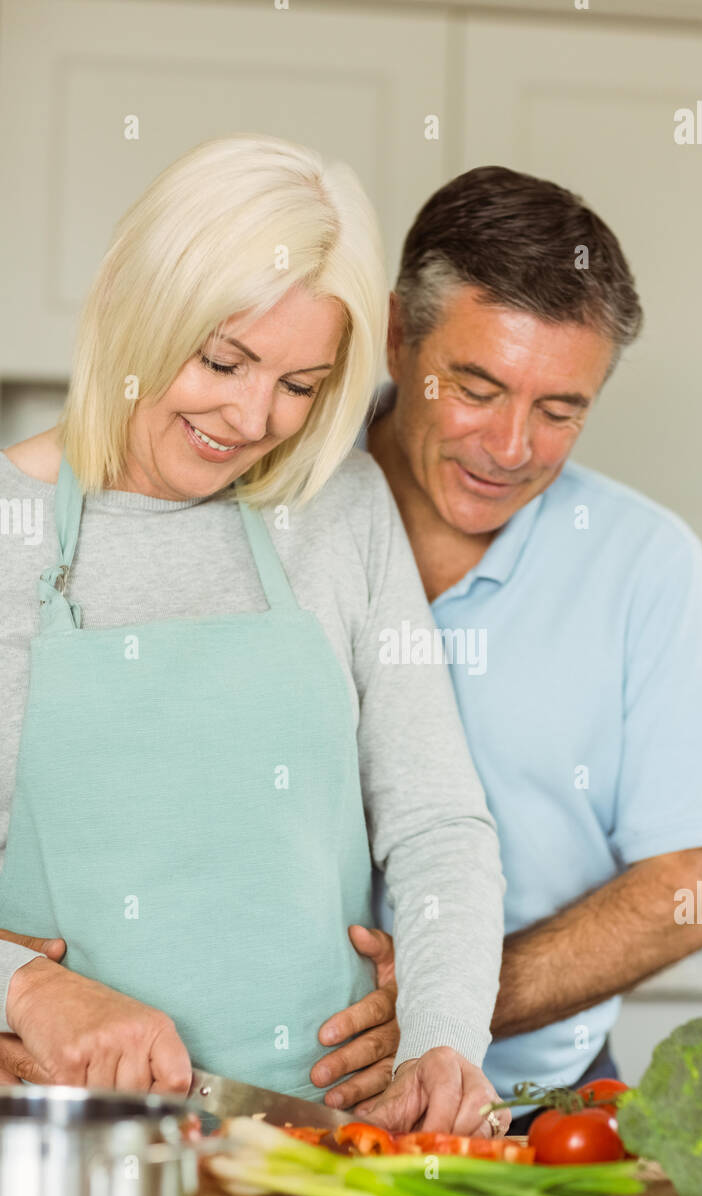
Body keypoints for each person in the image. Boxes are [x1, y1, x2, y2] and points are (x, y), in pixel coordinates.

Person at [0, 136, 510, 1137]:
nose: (250, 417)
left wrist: (443, 1035)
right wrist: (29, 992)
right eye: (223, 360)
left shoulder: (338, 507)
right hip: (66, 1148)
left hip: (322, 1146)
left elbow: (437, 822)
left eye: (300, 383)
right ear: (138, 307)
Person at [309, 165, 702, 1135]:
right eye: (475, 387)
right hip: (272, 1092)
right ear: (398, 334)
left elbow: (690, 885)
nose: (510, 445)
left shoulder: (645, 564)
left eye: (558, 410)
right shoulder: (280, 501)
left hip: (536, 1107)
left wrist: (443, 1007)